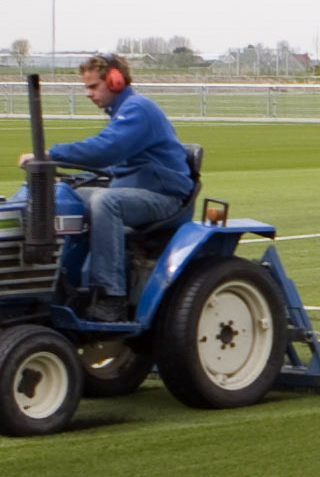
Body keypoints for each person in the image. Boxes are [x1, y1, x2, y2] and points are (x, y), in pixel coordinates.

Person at [23, 55, 195, 306]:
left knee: (106, 202)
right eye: (85, 87)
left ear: (115, 81)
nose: (87, 94)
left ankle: (109, 294)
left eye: (93, 86)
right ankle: (56, 279)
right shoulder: (122, 114)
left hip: (162, 196)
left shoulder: (138, 109)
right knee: (55, 194)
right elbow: (113, 163)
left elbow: (107, 149)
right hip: (132, 187)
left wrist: (50, 154)